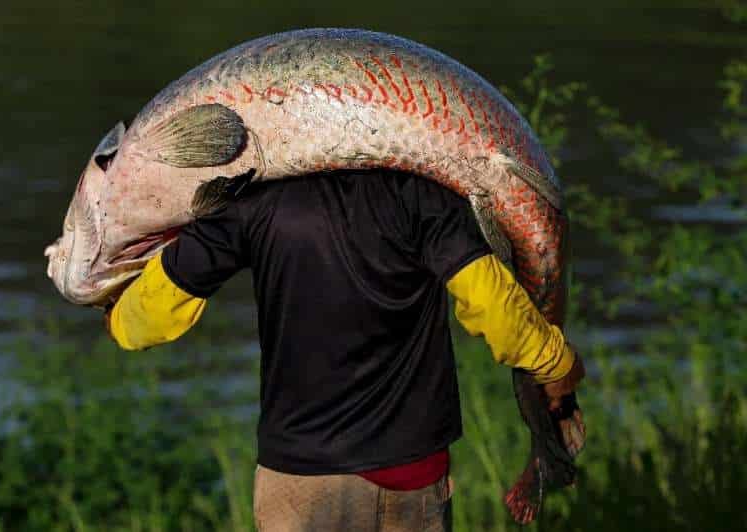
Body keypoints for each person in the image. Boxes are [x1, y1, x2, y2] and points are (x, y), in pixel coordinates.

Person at [105, 168, 584, 532]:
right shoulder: (421, 193)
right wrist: (556, 363)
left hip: (298, 481)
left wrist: (115, 313)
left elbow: (141, 324)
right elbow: (494, 308)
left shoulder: (251, 199)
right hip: (411, 471)